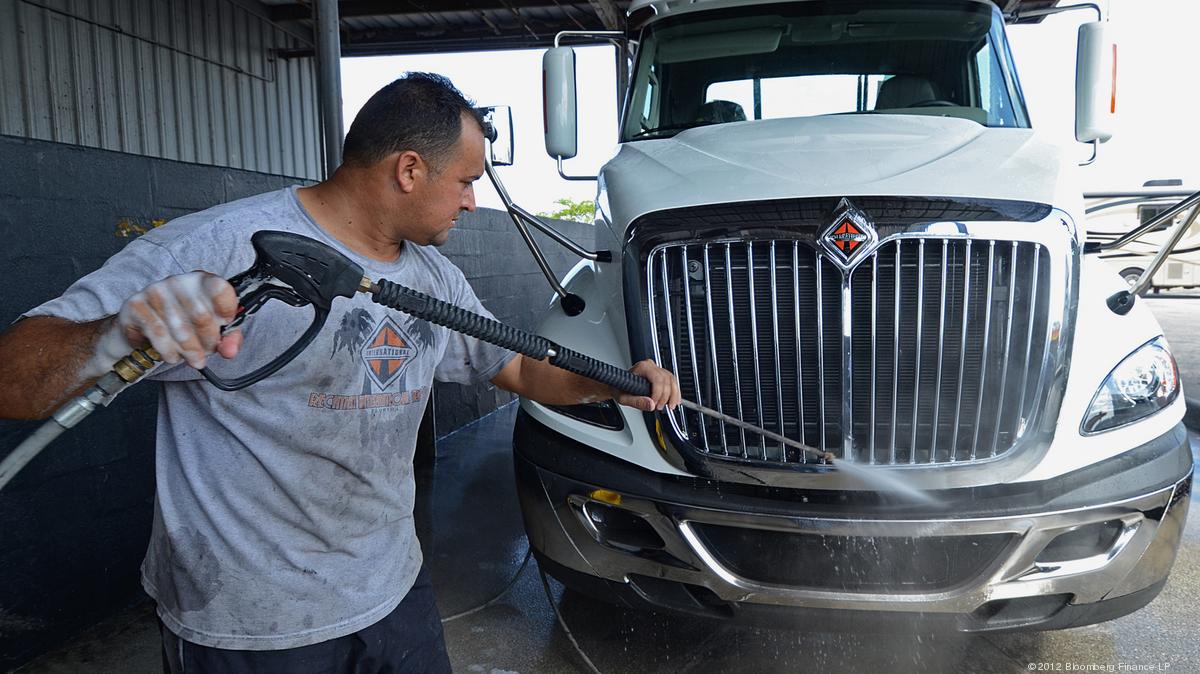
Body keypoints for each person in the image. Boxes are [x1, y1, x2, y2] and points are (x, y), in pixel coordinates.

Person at [0, 72, 680, 673]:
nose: (473, 201)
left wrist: (617, 381)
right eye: (467, 180)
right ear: (409, 170)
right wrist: (118, 335)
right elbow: (13, 377)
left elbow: (522, 371)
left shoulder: (433, 277)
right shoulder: (215, 248)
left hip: (393, 592)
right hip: (250, 623)